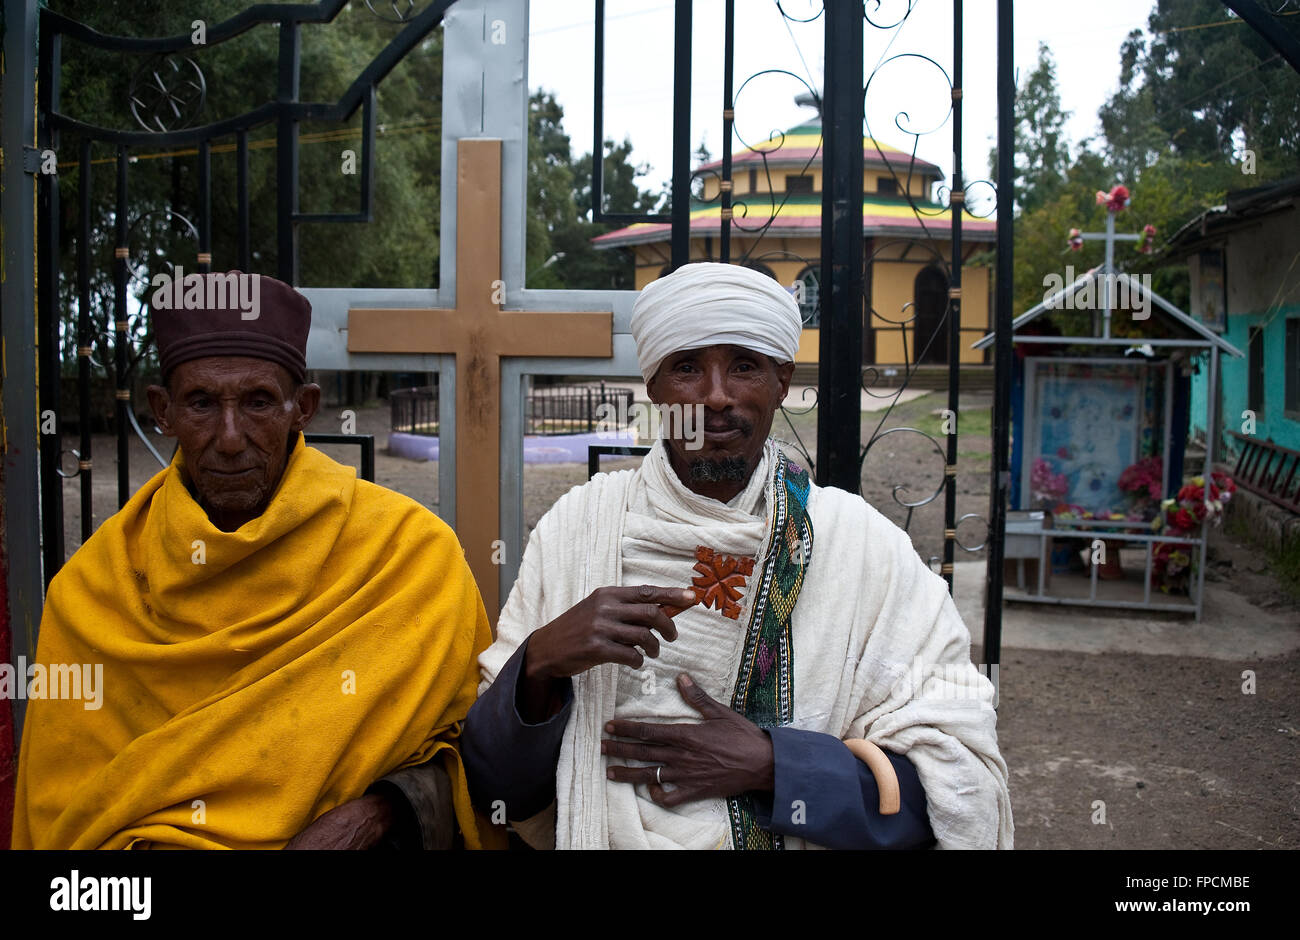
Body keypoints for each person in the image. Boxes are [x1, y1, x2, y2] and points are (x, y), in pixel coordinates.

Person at [461, 262, 1012, 850]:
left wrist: (777, 767)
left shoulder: (866, 550)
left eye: (744, 366)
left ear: (782, 381)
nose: (716, 396)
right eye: (688, 367)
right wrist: (539, 665)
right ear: (654, 387)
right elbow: (494, 791)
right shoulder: (575, 531)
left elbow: (958, 783)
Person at [12, 271, 498, 850]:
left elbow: (476, 758)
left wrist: (382, 811)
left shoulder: (409, 555)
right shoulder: (95, 588)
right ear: (161, 411)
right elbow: (64, 815)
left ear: (304, 408)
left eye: (259, 402)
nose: (231, 436)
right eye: (200, 403)